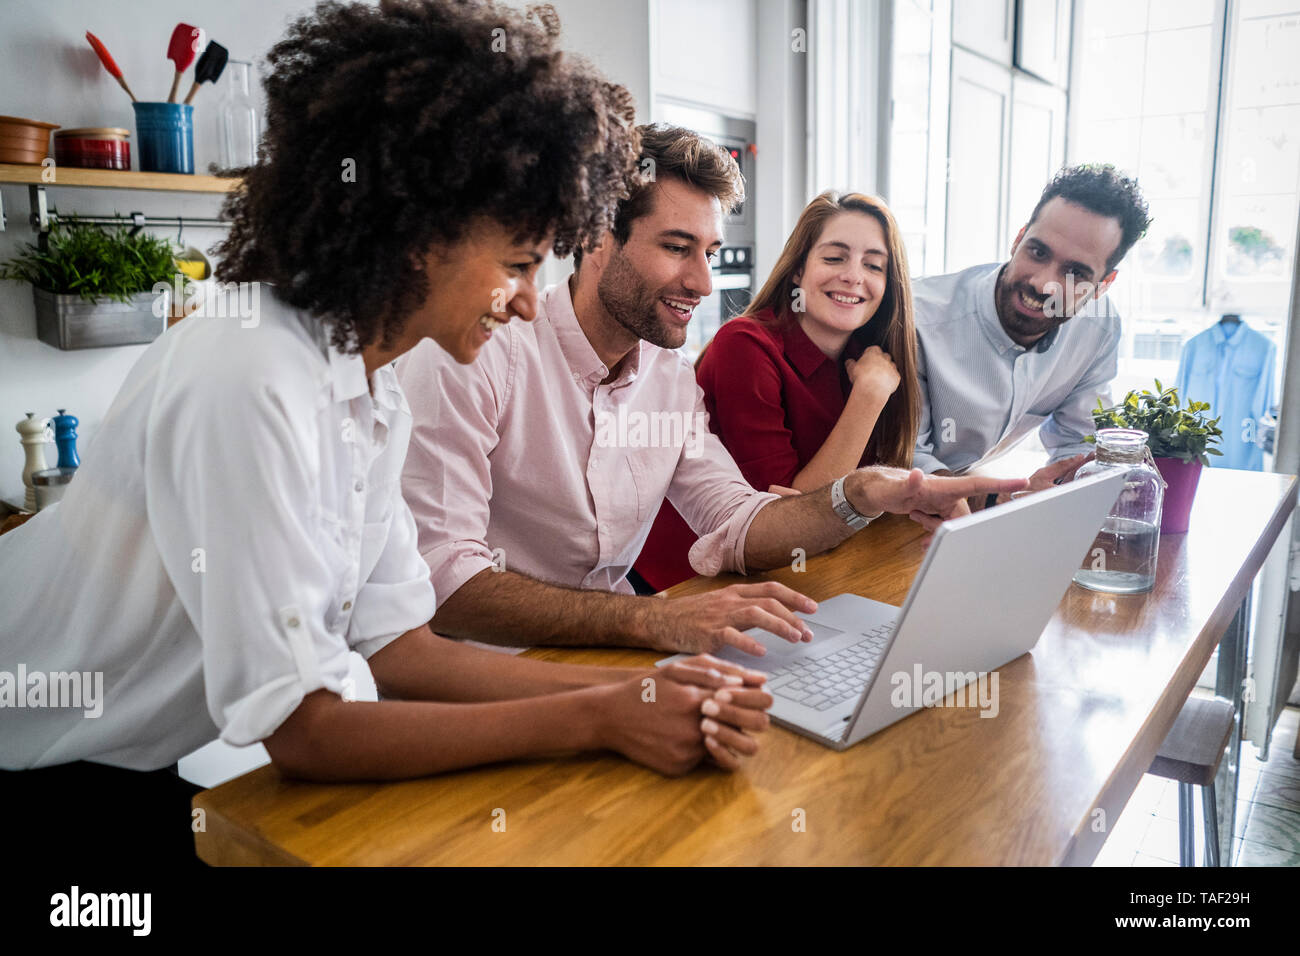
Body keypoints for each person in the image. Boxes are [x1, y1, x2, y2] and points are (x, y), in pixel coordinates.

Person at [0, 0, 775, 869]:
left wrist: (647, 685)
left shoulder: (372, 391)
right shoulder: (249, 373)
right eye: (518, 264)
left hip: (126, 745)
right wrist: (601, 713)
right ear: (418, 236)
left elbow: (403, 647)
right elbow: (306, 730)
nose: (527, 301)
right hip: (32, 752)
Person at [397, 126, 1023, 657]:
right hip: (478, 673)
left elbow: (736, 518)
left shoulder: (667, 381)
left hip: (613, 658)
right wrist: (648, 618)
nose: (701, 282)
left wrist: (858, 494)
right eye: (676, 248)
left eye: (710, 252)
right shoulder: (479, 350)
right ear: (593, 238)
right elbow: (444, 578)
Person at [634, 191, 922, 591]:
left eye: (873, 266)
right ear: (798, 270)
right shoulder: (745, 346)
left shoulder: (873, 359)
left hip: (802, 572)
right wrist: (868, 399)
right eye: (834, 257)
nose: (854, 276)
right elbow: (788, 522)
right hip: (687, 584)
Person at [911, 164, 1152, 507]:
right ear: (1018, 238)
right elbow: (904, 463)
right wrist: (1000, 497)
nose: (1042, 284)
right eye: (1037, 252)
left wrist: (1060, 486)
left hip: (966, 509)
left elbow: (1078, 442)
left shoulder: (1098, 329)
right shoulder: (919, 317)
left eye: (1075, 273)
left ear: (1104, 285)